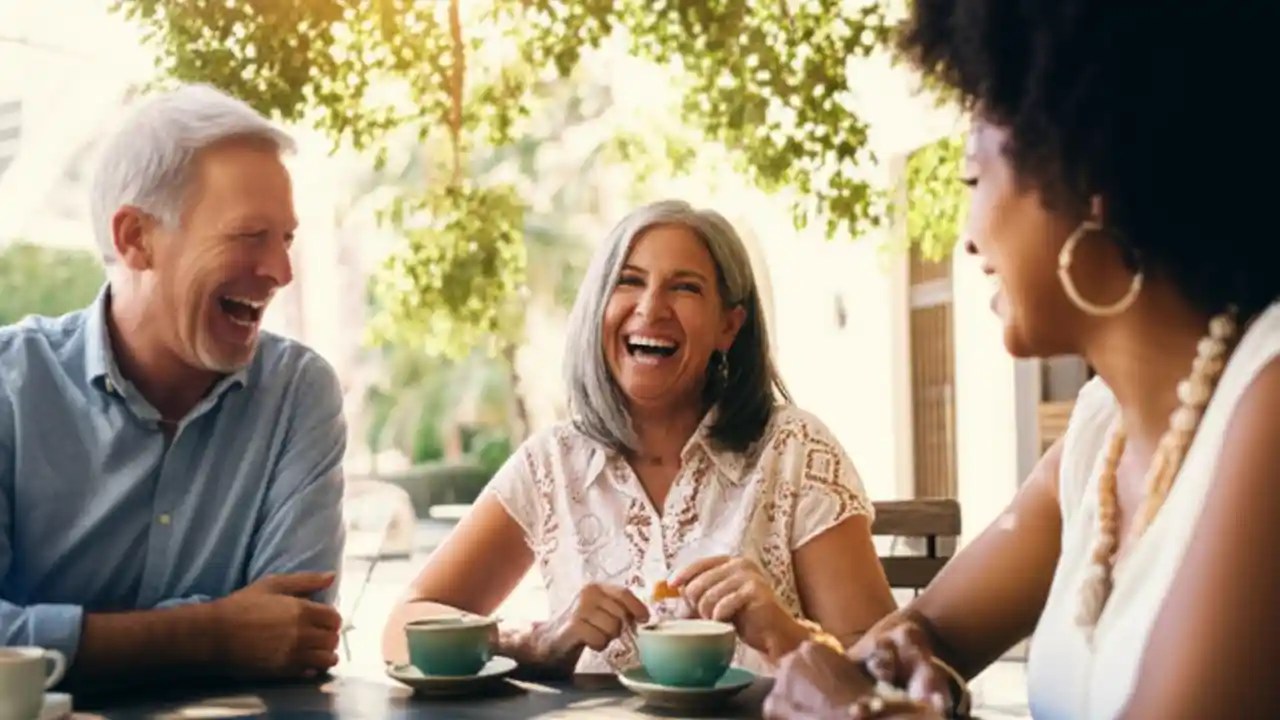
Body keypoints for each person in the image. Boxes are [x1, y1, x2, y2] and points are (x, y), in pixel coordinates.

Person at [765, 1, 1280, 718]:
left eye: (973, 180)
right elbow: (932, 626)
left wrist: (855, 712)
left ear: (1085, 167)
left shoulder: (1269, 401)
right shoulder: (1103, 436)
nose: (967, 240)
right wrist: (903, 654)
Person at [383, 200, 895, 677]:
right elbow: (400, 628)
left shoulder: (795, 451)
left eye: (686, 287)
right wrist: (533, 643)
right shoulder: (552, 463)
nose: (651, 308)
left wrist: (784, 635)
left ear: (729, 326)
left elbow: (886, 670)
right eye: (629, 281)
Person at [0, 85, 347, 686]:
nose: (281, 272)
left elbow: (294, 635)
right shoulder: (11, 388)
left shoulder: (298, 393)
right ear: (135, 238)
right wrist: (214, 636)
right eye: (249, 235)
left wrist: (66, 640)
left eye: (285, 238)